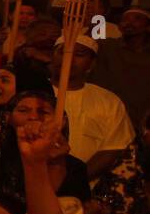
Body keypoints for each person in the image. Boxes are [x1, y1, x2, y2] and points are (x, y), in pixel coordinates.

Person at [51, 34, 134, 179]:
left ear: (91, 64)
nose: (68, 57)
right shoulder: (34, 91)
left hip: (87, 190)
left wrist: (75, 181)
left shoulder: (108, 101)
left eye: (79, 54)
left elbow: (114, 148)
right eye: (62, 52)